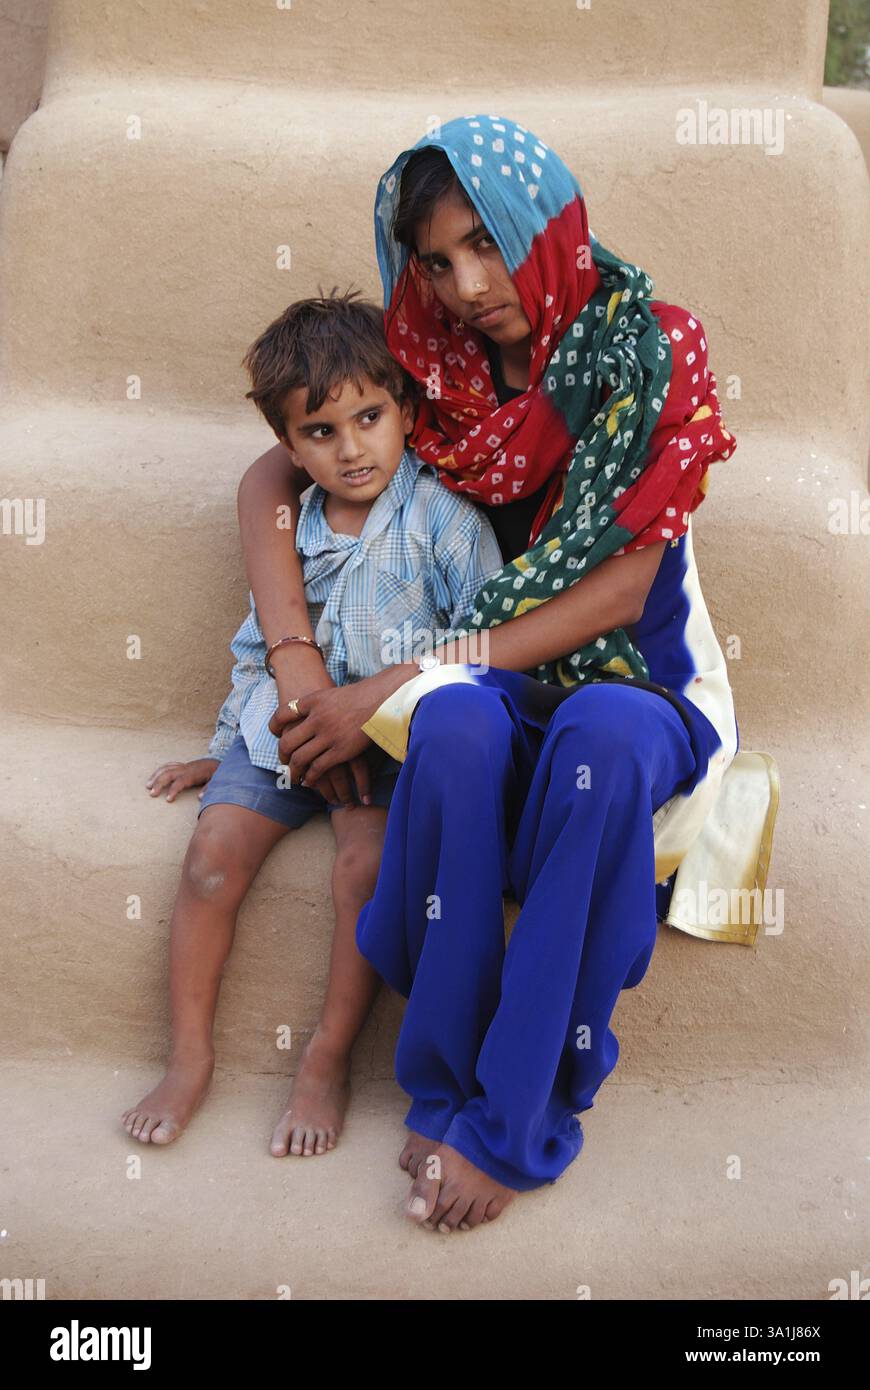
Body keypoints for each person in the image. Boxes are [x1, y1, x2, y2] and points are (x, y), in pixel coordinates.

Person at [234, 114, 739, 1231]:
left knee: (598, 745)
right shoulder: (431, 367)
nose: (466, 285)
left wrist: (403, 675)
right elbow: (278, 461)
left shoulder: (649, 345)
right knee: (454, 730)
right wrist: (301, 657)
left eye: (488, 243)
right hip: (498, 682)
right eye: (436, 260)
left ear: (543, 223)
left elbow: (616, 593)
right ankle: (443, 1076)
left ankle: (515, 1117)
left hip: (637, 678)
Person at [121, 291, 502, 1154]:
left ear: (405, 410)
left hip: (387, 745)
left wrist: (384, 718)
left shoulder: (443, 520)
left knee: (363, 867)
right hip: (281, 733)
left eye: (369, 417)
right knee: (211, 857)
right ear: (288, 445)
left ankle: (324, 1061)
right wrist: (224, 749)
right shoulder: (293, 520)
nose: (351, 447)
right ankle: (188, 1060)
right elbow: (264, 645)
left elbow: (480, 642)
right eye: (320, 433)